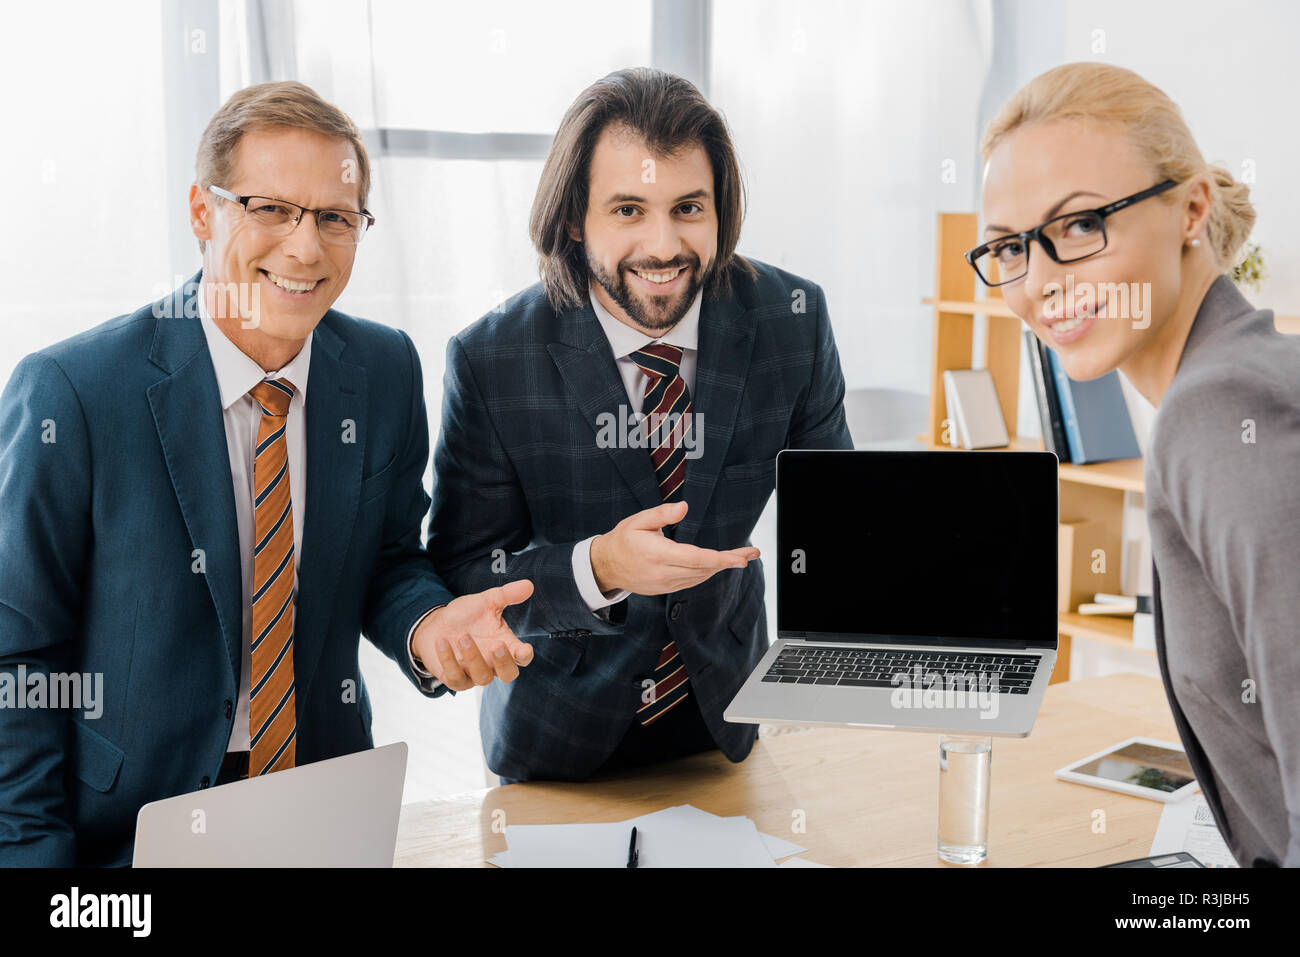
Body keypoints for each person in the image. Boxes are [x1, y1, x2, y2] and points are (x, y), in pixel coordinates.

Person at [0, 81, 533, 866]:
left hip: (323, 814)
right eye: (270, 208)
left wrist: (427, 626)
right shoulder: (72, 392)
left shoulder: (382, 369)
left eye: (334, 217)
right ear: (201, 212)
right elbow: (18, 657)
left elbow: (387, 558)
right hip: (125, 836)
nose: (305, 247)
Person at [428, 68, 852, 783]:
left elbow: (838, 515)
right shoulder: (492, 358)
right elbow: (466, 570)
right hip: (558, 737)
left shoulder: (791, 321)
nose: (663, 247)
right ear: (573, 219)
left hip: (726, 717)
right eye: (628, 210)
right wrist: (598, 568)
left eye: (688, 207)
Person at [972, 62, 1298, 866]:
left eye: (1081, 225)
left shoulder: (1219, 411)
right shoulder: (1250, 368)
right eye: (1010, 246)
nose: (1041, 281)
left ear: (1191, 208)